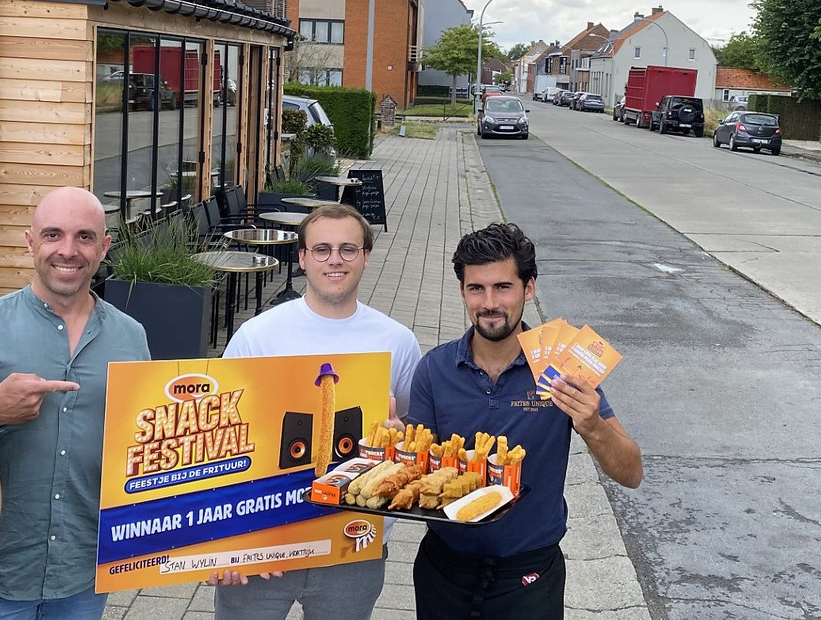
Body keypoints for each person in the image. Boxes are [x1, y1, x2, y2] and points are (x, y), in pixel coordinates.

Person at [407, 222, 642, 619]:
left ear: (528, 288)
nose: (489, 303)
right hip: (444, 568)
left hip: (528, 574)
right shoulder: (435, 368)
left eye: (503, 287)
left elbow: (631, 473)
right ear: (463, 292)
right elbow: (419, 472)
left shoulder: (563, 368)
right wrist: (397, 453)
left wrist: (593, 426)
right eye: (476, 288)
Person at [213, 203, 421, 620]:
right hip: (263, 540)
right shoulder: (257, 335)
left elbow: (415, 435)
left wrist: (400, 440)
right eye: (322, 249)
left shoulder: (397, 341)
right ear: (303, 258)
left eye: (348, 249)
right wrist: (221, 543)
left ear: (365, 256)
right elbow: (220, 440)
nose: (335, 260)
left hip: (353, 543)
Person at [0, 187, 150, 620]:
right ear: (30, 242)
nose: (68, 250)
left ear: (104, 247)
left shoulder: (131, 336)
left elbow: (143, 445)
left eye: (84, 237)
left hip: (84, 568)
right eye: (53, 235)